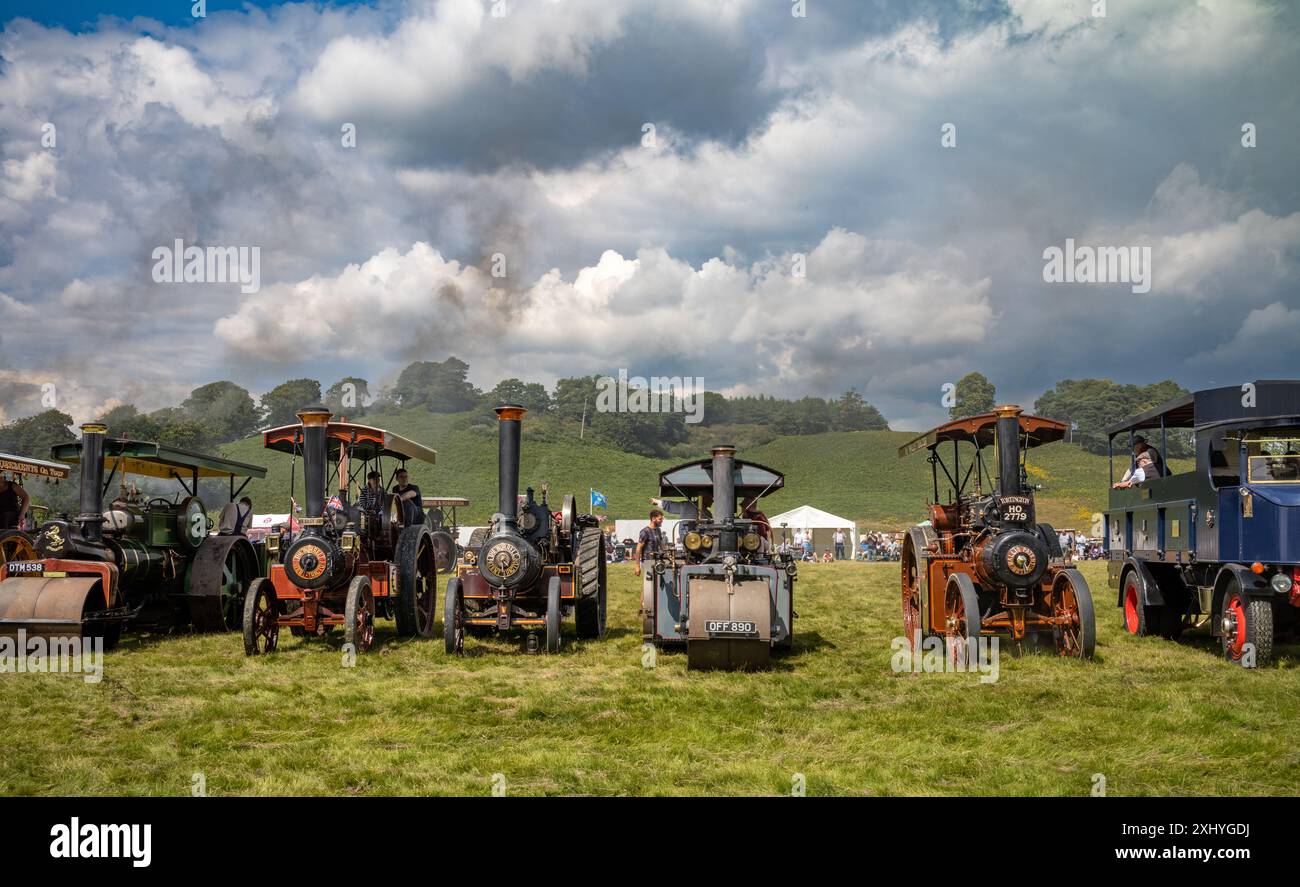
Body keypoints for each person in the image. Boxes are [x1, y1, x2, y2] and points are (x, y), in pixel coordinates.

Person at [633, 509, 666, 577]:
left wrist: (669, 554)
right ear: (653, 518)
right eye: (660, 519)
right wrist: (637, 566)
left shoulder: (658, 530)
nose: (662, 521)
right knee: (649, 585)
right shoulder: (645, 531)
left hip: (657, 561)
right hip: (647, 562)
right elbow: (638, 549)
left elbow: (662, 545)